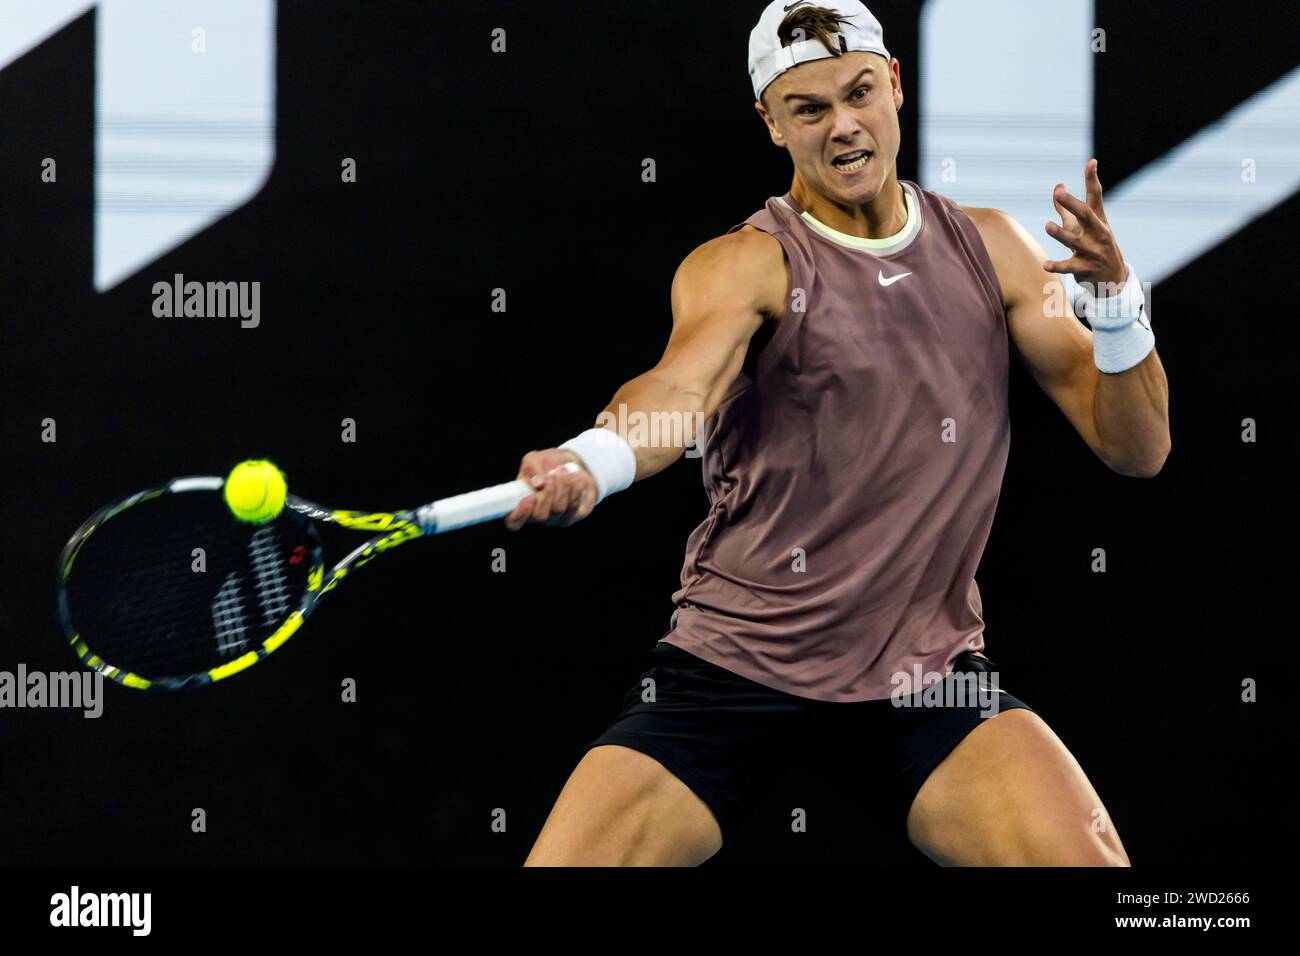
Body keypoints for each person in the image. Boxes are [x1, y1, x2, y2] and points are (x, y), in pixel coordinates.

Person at [511, 0, 1169, 866]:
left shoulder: (994, 250)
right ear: (772, 124)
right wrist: (594, 460)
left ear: (894, 82)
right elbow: (677, 392)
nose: (844, 126)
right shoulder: (746, 263)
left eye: (859, 93)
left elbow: (1138, 448)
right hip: (735, 668)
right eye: (810, 109)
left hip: (923, 679)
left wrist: (1120, 311)